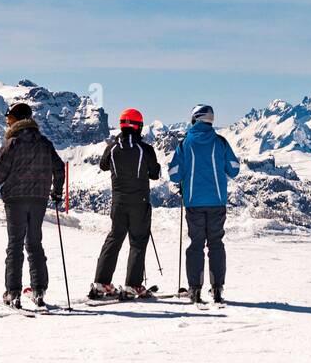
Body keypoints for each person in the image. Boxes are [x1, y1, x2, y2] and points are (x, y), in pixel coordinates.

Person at [0, 102, 65, 310]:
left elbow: (0, 173)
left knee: (15, 245)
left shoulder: (13, 143)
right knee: (35, 244)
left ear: (17, 119)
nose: (7, 121)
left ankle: (13, 293)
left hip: (15, 199)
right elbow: (60, 168)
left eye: (9, 117)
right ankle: (39, 291)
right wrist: (56, 192)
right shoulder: (45, 143)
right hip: (39, 200)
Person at [168, 104, 240, 308]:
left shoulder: (185, 144)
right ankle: (217, 289)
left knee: (196, 245)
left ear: (194, 119)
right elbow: (234, 169)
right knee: (216, 243)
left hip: (193, 202)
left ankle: (195, 289)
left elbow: (174, 174)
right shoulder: (220, 142)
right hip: (217, 201)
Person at [91, 108, 161, 298]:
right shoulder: (145, 149)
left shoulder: (113, 148)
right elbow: (155, 174)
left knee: (114, 239)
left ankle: (101, 283)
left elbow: (103, 165)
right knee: (137, 242)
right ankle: (133, 285)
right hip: (140, 202)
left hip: (118, 202)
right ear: (138, 127)